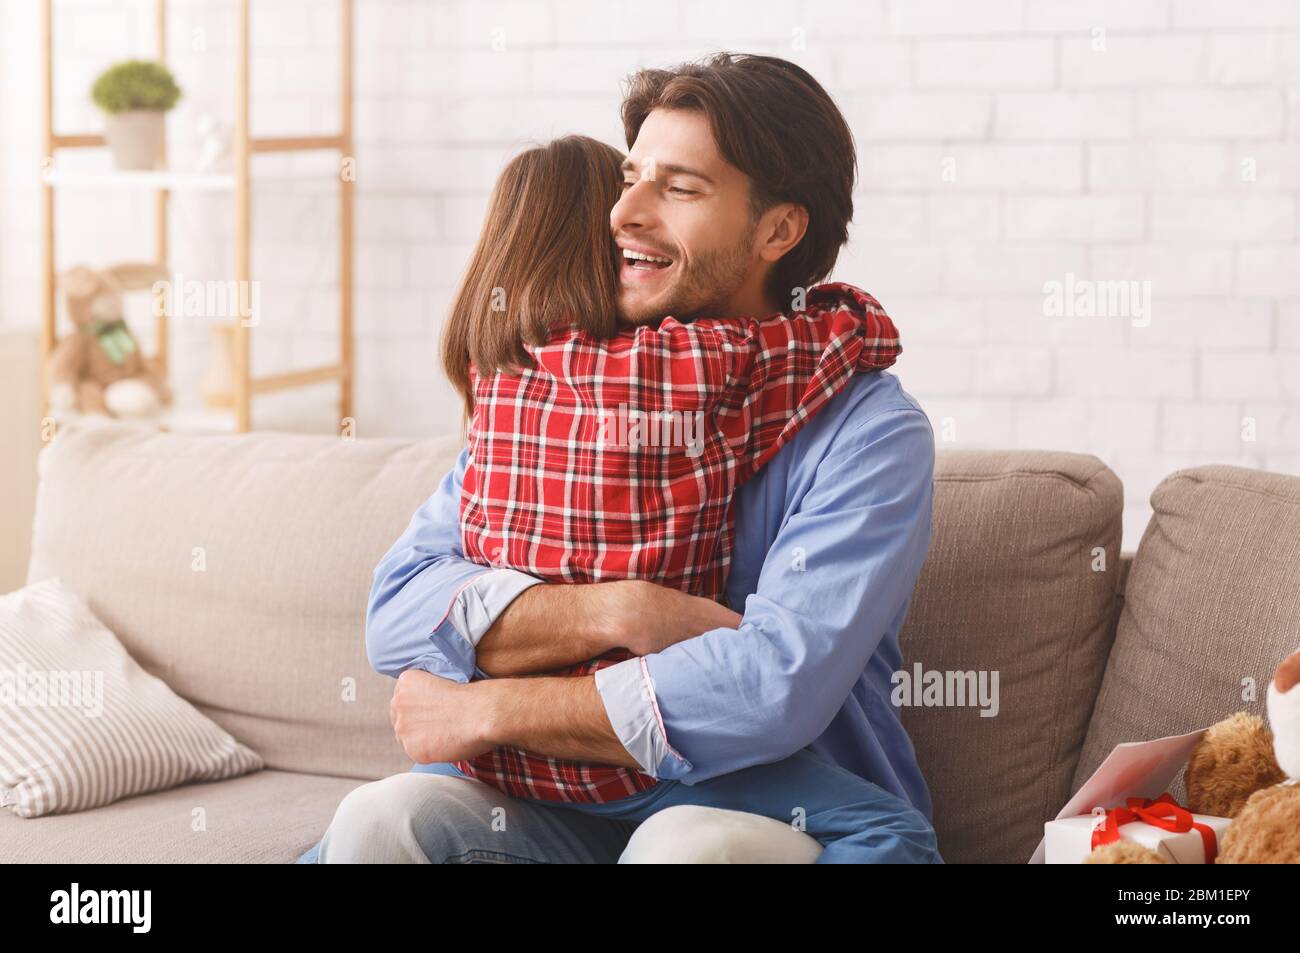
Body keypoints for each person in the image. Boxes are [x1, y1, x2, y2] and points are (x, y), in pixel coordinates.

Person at [304, 53, 940, 864]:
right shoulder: (571, 391)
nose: (623, 212)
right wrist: (623, 611)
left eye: (679, 188)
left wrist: (493, 709)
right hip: (557, 810)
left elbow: (770, 689)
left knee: (684, 844)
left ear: (778, 230)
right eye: (631, 176)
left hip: (782, 812)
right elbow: (397, 612)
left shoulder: (868, 430)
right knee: (383, 817)